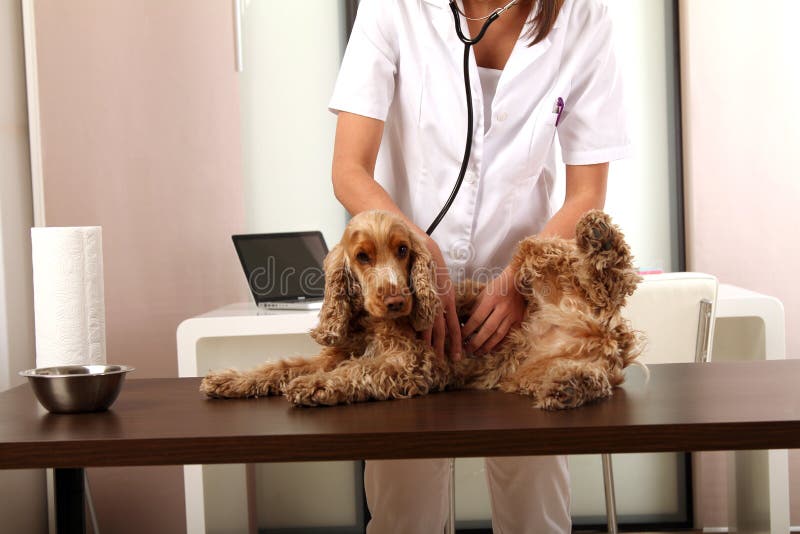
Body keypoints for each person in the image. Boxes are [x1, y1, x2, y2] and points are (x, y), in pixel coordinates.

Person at [328, 0, 631, 531]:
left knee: (536, 509)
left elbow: (587, 194)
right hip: (410, 302)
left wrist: (520, 277)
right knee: (404, 513)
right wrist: (420, 253)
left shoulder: (582, 16)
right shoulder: (394, 7)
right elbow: (349, 170)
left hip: (523, 309)